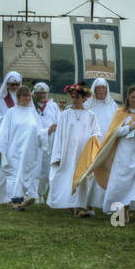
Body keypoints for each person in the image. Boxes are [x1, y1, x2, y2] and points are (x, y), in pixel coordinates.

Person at [84, 85, 135, 225]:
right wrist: (129, 128)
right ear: (128, 97)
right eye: (133, 97)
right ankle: (125, 213)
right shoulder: (121, 112)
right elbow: (114, 133)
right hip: (125, 153)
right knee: (124, 184)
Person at [0, 84, 50, 210]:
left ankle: (24, 197)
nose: (27, 98)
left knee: (27, 174)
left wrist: (47, 132)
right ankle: (16, 202)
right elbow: (4, 132)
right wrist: (1, 149)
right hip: (14, 149)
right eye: (24, 96)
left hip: (29, 151)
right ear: (18, 97)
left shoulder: (32, 113)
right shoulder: (11, 113)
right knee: (13, 174)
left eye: (28, 96)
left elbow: (39, 131)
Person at [48, 83, 102, 216]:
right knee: (67, 176)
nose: (75, 99)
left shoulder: (91, 115)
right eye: (73, 97)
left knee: (83, 179)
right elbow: (60, 135)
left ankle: (81, 207)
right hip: (68, 151)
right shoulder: (66, 114)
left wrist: (92, 138)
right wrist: (58, 155)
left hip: (83, 153)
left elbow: (96, 132)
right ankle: (69, 205)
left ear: (84, 98)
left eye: (78, 97)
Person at [0, 72, 24, 204]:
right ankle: (1, 196)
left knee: (15, 166)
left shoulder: (23, 100)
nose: (14, 86)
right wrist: (9, 120)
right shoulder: (0, 100)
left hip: (18, 138)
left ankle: (15, 195)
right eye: (11, 84)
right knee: (1, 167)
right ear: (6, 84)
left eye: (16, 84)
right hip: (3, 137)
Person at [31, 82, 61, 202]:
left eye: (44, 93)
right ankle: (33, 193)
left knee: (46, 170)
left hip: (50, 143)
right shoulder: (32, 106)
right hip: (36, 142)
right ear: (35, 94)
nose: (43, 95)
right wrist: (45, 131)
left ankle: (41, 192)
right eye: (40, 93)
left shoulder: (53, 106)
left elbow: (59, 122)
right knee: (35, 168)